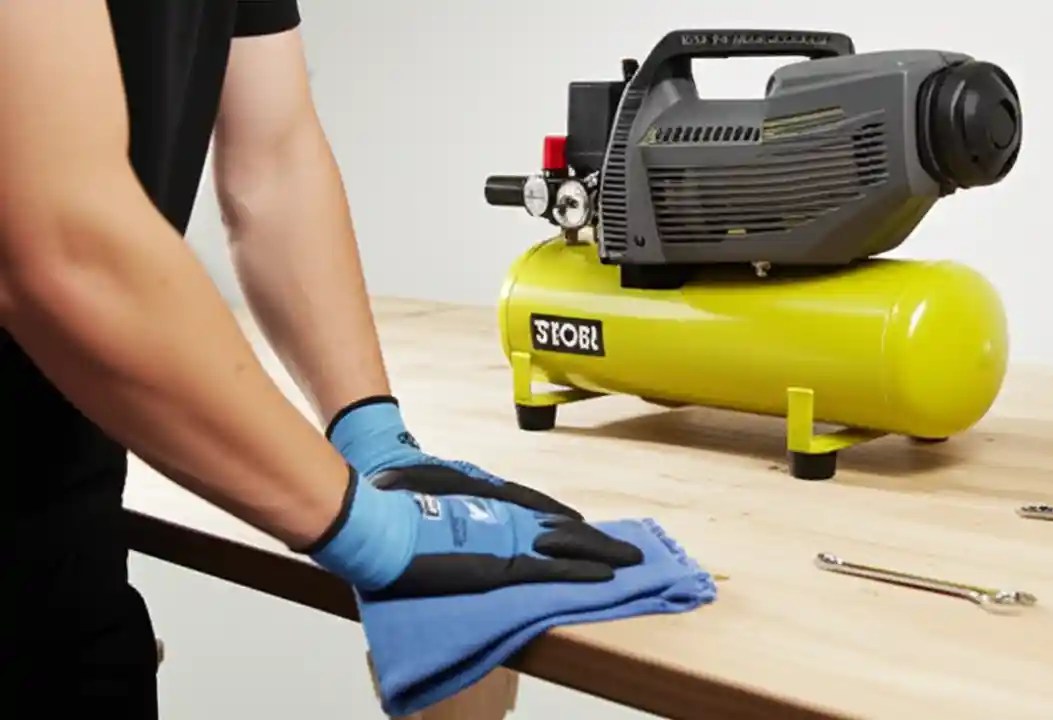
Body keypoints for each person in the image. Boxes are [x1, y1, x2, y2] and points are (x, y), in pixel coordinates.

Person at [0, 2, 642, 717]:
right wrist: (368, 528)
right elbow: (63, 246)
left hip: (67, 532)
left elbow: (274, 161)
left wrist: (373, 437)